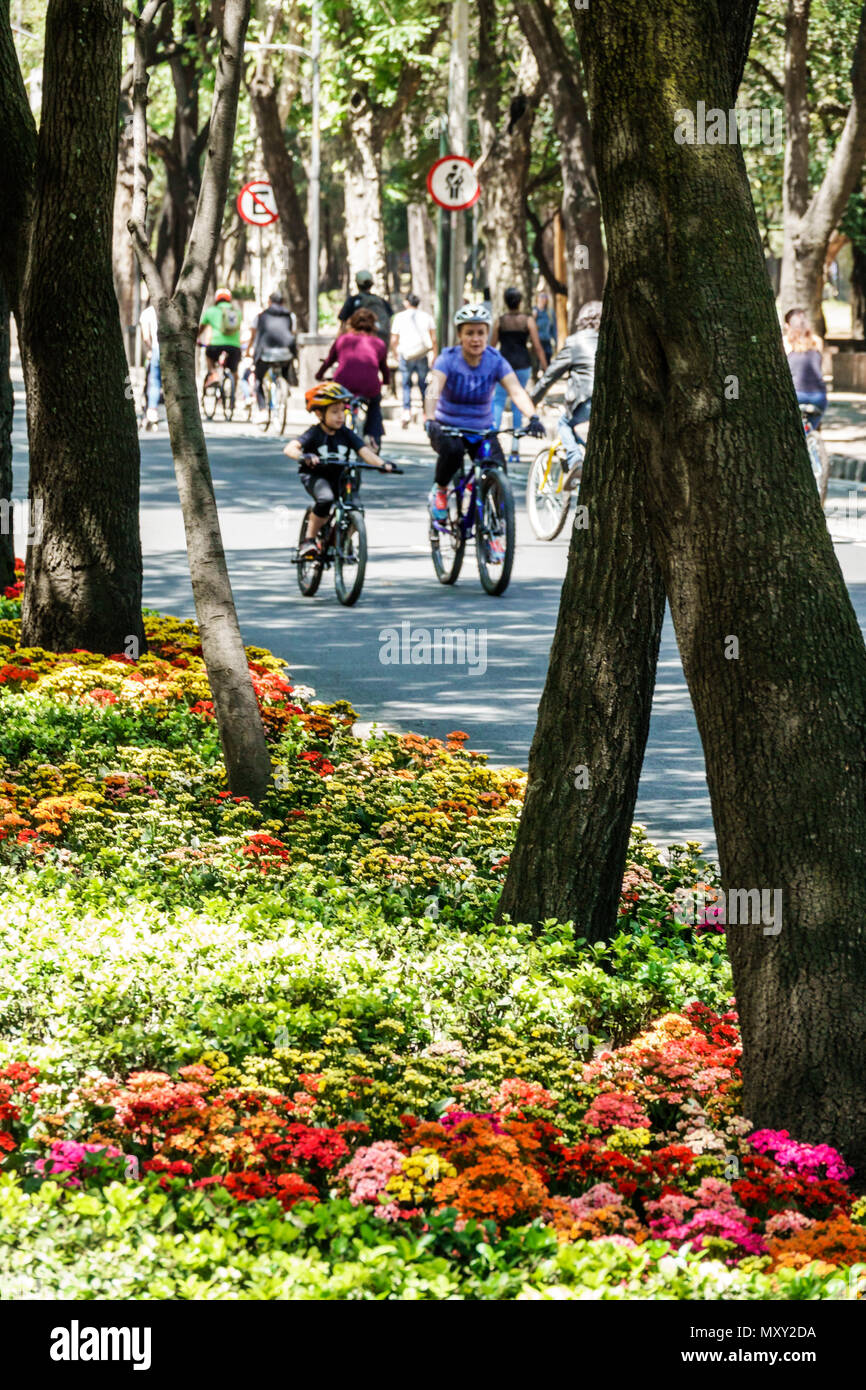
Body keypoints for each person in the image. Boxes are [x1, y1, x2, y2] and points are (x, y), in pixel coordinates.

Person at [424, 303, 545, 522]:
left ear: (488, 334)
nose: (476, 339)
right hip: (448, 426)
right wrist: (430, 418)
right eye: (469, 333)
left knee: (498, 468)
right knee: (452, 451)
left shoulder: (495, 360)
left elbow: (516, 390)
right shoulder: (447, 359)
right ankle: (440, 490)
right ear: (460, 335)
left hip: (482, 429)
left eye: (481, 333)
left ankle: (494, 531)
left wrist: (533, 417)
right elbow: (434, 389)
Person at [284, 381, 396, 559]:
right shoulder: (314, 433)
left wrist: (382, 464)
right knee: (325, 499)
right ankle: (309, 540)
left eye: (342, 411)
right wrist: (303, 457)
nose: (340, 416)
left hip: (341, 477)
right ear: (320, 413)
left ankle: (339, 542)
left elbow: (364, 451)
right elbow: (290, 448)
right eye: (334, 412)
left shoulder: (346, 433)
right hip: (317, 476)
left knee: (356, 509)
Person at [531, 298, 601, 491]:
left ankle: (575, 460)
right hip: (608, 400)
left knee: (564, 424)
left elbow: (549, 377)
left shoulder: (574, 342)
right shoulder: (610, 340)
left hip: (585, 399)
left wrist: (531, 402)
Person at [315, 307, 389, 450]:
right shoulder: (378, 343)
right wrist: (386, 381)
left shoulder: (342, 340)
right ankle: (372, 435)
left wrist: (319, 375)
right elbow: (384, 368)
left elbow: (329, 361)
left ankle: (333, 435)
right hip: (369, 386)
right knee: (374, 405)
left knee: (338, 405)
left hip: (343, 384)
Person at [490, 287, 548, 437]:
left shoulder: (500, 321)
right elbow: (538, 347)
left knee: (498, 401)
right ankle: (515, 448)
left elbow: (492, 347)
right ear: (520, 302)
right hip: (523, 364)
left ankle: (491, 440)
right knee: (519, 401)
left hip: (503, 365)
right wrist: (546, 368)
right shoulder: (527, 321)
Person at [389, 292, 437, 427]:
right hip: (421, 354)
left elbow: (394, 339)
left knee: (406, 384)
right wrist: (434, 354)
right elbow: (433, 339)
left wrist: (395, 353)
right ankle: (426, 414)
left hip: (405, 354)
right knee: (423, 384)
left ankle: (406, 411)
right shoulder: (427, 317)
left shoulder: (399, 317)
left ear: (406, 303)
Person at [248, 291, 297, 423]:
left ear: (269, 302)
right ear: (283, 303)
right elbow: (292, 333)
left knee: (258, 380)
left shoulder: (260, 316)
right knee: (286, 365)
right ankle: (286, 384)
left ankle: (263, 410)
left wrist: (249, 351)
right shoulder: (290, 316)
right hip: (286, 352)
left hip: (265, 353)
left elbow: (253, 336)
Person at [784, 306, 827, 425]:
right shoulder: (817, 342)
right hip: (819, 395)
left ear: (787, 326)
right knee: (811, 427)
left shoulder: (785, 343)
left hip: (797, 394)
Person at [199, 288, 242, 395]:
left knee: (209, 355)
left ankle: (213, 374)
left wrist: (197, 339)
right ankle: (233, 395)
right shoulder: (237, 313)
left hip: (216, 345)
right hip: (234, 346)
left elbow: (202, 328)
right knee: (234, 370)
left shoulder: (211, 311)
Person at [337, 269, 392, 345]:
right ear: (371, 284)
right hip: (379, 342)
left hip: (357, 344)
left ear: (357, 284)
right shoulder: (381, 301)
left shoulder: (352, 301)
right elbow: (389, 321)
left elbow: (343, 325)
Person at [139, 295, 161, 431]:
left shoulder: (147, 313)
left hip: (157, 350)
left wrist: (151, 348)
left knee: (154, 380)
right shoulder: (169, 312)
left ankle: (152, 412)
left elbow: (146, 336)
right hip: (171, 350)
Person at [533, 290, 556, 365]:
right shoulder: (534, 311)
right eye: (541, 296)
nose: (543, 298)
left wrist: (556, 341)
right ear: (537, 298)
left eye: (545, 296)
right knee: (536, 364)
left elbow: (554, 328)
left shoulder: (550, 312)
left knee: (547, 363)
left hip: (546, 341)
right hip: (536, 342)